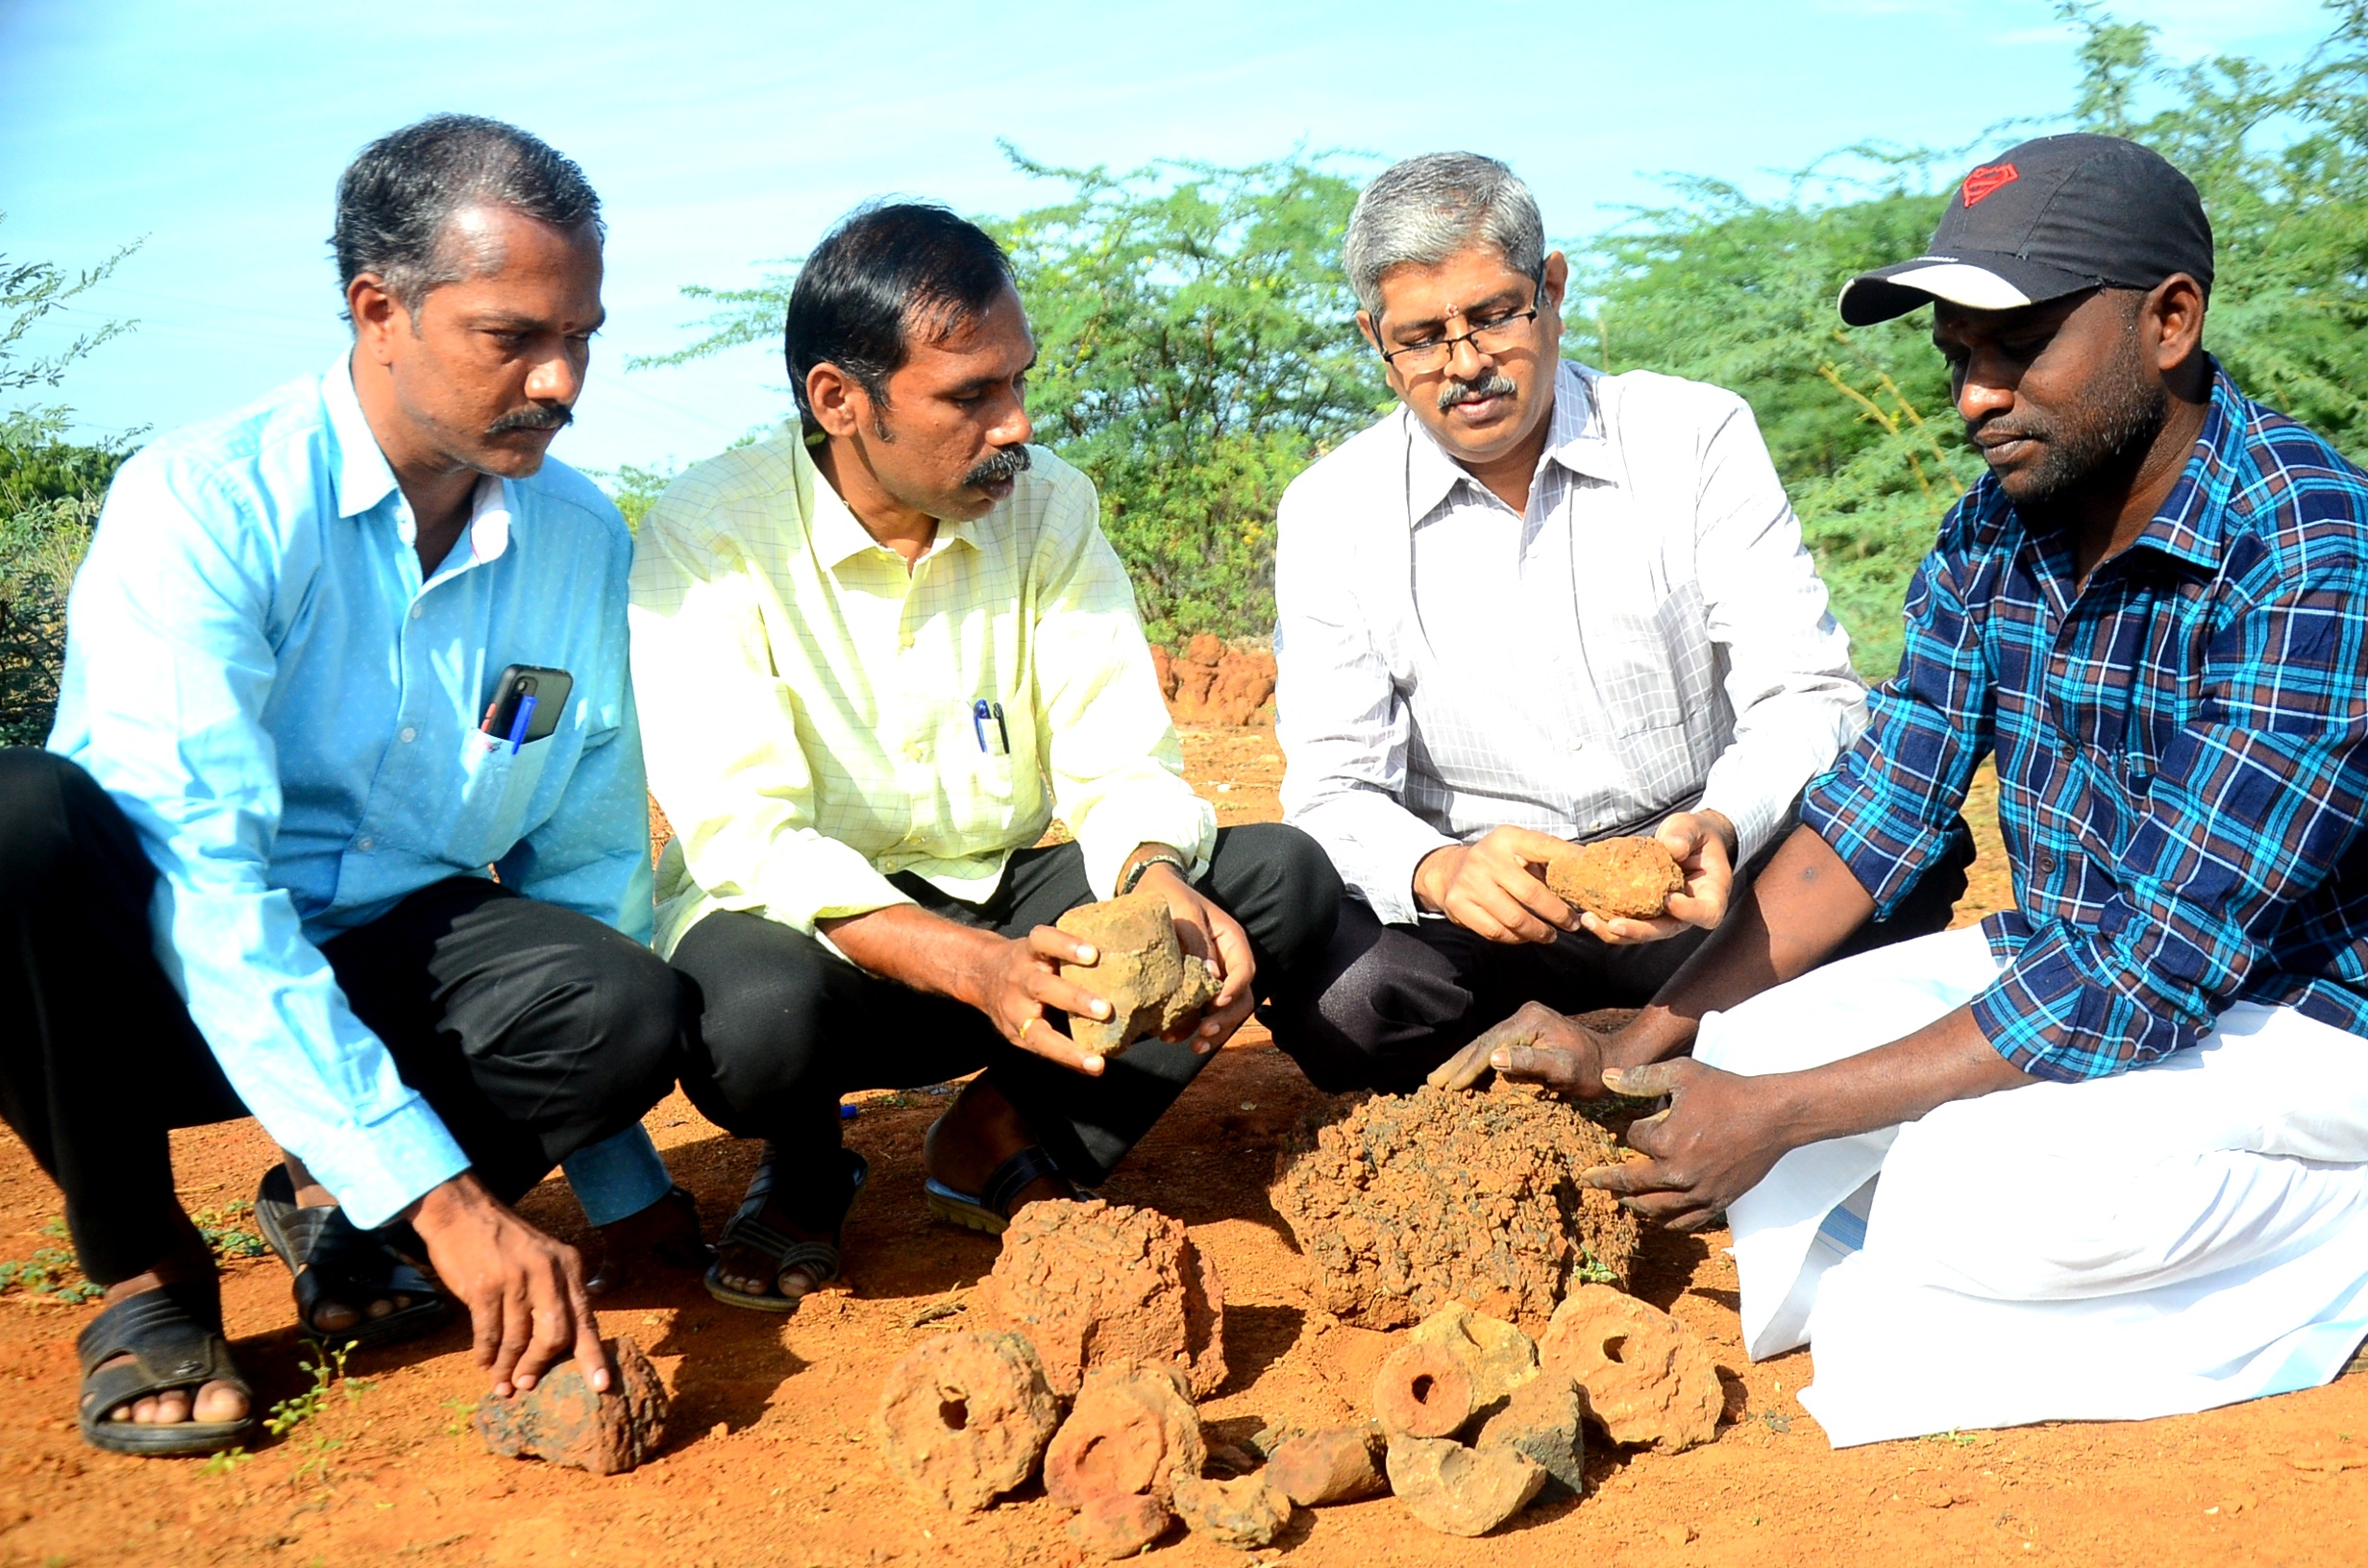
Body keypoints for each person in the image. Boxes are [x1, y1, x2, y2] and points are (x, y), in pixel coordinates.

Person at [1440, 133, 2368, 1445]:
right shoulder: (1999, 532)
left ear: (2169, 322)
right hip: (2072, 956)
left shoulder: (2313, 555)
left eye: (2019, 344)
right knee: (1743, 1039)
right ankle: (1966, 1241)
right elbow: (1874, 820)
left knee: (1960, 1185)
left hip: (2314, 1017)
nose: (1978, 395)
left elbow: (2158, 965)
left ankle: (2341, 1222)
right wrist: (1640, 1039)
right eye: (1958, 358)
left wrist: (1782, 1116)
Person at [0, 115, 700, 1457]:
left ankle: (348, 1212)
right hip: (151, 982)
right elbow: (209, 886)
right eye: (515, 337)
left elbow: (589, 853)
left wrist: (618, 1182)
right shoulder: (204, 506)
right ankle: (147, 1277)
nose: (563, 378)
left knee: (626, 996)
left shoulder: (575, 533)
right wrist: (449, 1200)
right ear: (380, 309)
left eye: (584, 334)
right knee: (16, 825)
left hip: (392, 956)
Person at [629, 202, 1341, 1312]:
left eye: (1018, 381)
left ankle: (1003, 1129)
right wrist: (971, 969)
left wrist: (1154, 880)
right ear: (838, 401)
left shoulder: (1047, 502)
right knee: (751, 1018)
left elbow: (1118, 756)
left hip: (1005, 912)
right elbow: (747, 834)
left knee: (1273, 879)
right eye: (970, 396)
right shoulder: (712, 531)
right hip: (828, 952)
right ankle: (808, 1164)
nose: (1015, 425)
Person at [1264, 152, 1968, 1091]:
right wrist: (1439, 872)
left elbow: (1802, 692)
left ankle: (1650, 1037)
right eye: (1423, 337)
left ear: (1551, 288)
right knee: (1348, 1000)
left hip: (1695, 898)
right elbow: (1332, 790)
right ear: (1373, 339)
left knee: (1901, 862)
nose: (1466, 365)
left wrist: (1717, 825)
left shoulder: (1694, 437)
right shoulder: (1331, 510)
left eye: (1492, 316)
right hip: (1484, 920)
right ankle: (1643, 1047)